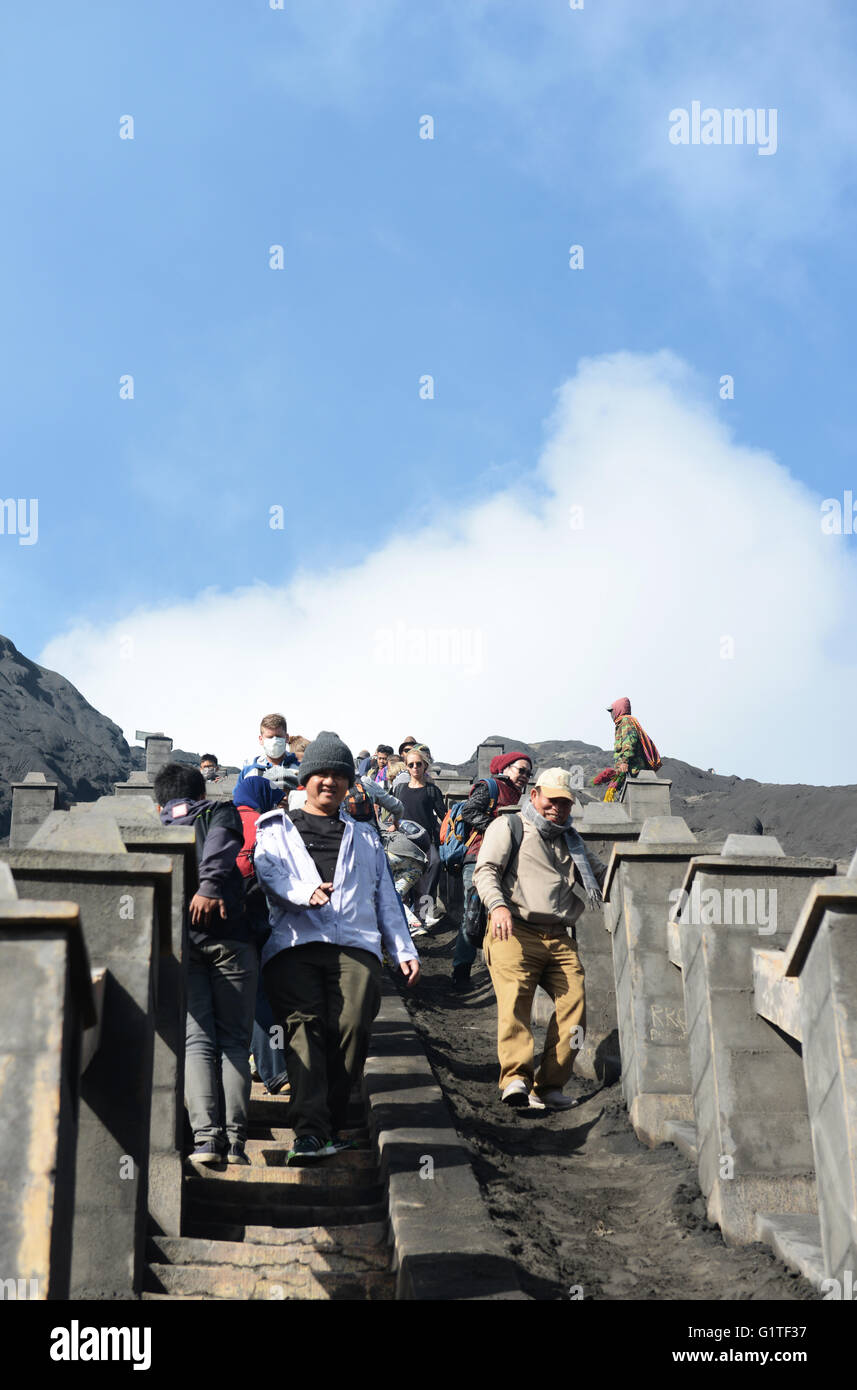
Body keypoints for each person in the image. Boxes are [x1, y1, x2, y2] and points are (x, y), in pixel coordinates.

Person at [254, 731, 420, 1164]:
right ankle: (310, 1132)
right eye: (321, 774)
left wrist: (403, 949)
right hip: (295, 943)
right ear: (305, 780)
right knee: (304, 1028)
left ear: (350, 784)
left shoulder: (365, 836)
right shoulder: (276, 827)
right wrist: (303, 891)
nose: (329, 782)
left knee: (353, 1027)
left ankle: (327, 1122)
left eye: (339, 776)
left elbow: (385, 895)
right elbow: (266, 870)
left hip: (355, 945)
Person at [473, 767, 607, 1111]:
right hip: (513, 929)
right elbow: (485, 870)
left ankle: (549, 1086)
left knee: (574, 1006)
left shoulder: (571, 840)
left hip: (559, 936)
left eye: (565, 803)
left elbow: (604, 875)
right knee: (515, 1001)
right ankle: (515, 1078)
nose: (557, 809)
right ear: (534, 795)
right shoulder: (509, 827)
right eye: (552, 800)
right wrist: (498, 906)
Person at [154, 762, 257, 1165]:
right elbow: (222, 843)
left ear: (161, 798)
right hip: (232, 939)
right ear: (200, 792)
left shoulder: (155, 825)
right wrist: (212, 885)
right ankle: (234, 1144)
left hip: (183, 943)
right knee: (233, 1041)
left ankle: (205, 1141)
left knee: (196, 1042)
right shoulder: (219, 810)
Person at [450, 751, 532, 989]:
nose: (525, 776)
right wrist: (499, 829)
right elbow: (469, 812)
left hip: (504, 861)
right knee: (473, 913)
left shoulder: (517, 794)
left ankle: (497, 968)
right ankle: (461, 972)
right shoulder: (490, 787)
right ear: (505, 768)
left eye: (528, 773)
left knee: (497, 912)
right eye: (521, 770)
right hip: (477, 857)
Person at [233, 775, 290, 1096]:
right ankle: (276, 1070)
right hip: (260, 918)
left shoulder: (219, 819)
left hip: (220, 923)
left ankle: (256, 1064)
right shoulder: (267, 824)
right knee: (263, 995)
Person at [396, 747, 446, 927]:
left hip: (426, 840)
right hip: (404, 842)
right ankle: (408, 916)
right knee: (407, 877)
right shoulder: (400, 789)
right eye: (411, 764)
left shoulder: (432, 791)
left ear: (425, 766)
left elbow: (444, 816)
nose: (415, 767)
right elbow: (391, 813)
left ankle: (424, 913)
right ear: (407, 767)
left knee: (435, 864)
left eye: (419, 764)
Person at [606, 697, 660, 796]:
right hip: (628, 772)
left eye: (612, 711)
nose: (611, 714)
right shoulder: (621, 723)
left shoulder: (626, 721)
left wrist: (624, 762)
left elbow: (629, 742)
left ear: (619, 709)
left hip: (634, 771)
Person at [241, 713, 299, 793]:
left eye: (278, 736)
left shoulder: (300, 766)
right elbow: (241, 799)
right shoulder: (249, 771)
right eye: (270, 737)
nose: (275, 741)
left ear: (287, 738)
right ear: (261, 739)